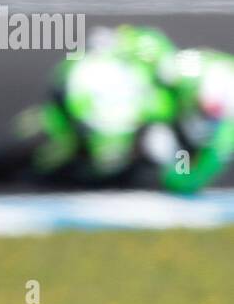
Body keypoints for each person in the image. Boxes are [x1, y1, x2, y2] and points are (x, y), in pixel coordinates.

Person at [14, 25, 234, 192]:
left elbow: (192, 178)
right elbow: (155, 45)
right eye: (200, 104)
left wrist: (173, 169)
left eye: (209, 113)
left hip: (171, 139)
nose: (203, 111)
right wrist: (117, 41)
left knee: (139, 162)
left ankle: (105, 173)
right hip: (136, 99)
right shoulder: (188, 70)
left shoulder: (224, 138)